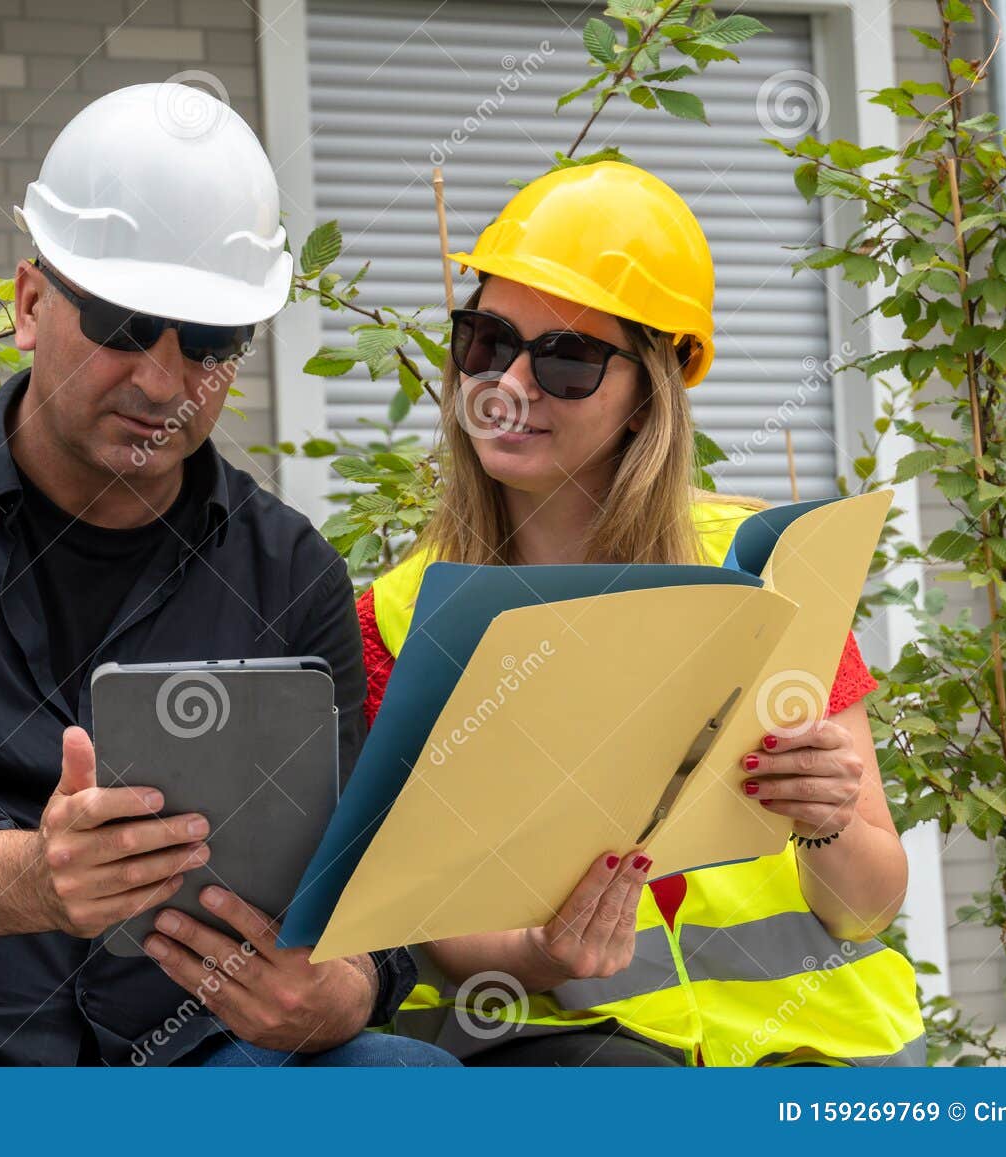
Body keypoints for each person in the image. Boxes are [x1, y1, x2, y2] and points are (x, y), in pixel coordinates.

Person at [0, 83, 451, 1068]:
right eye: (119, 321)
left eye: (207, 342)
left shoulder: (285, 571)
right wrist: (28, 876)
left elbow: (360, 872)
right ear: (30, 303)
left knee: (401, 1079)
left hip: (176, 1058)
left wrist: (342, 989)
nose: (161, 379)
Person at [359, 161, 925, 1066]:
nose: (509, 383)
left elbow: (866, 902)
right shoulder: (396, 618)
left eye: (568, 359)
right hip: (569, 1060)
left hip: (828, 1057)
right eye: (485, 339)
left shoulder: (766, 567)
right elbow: (431, 927)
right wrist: (536, 956)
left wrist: (826, 820)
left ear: (649, 391)